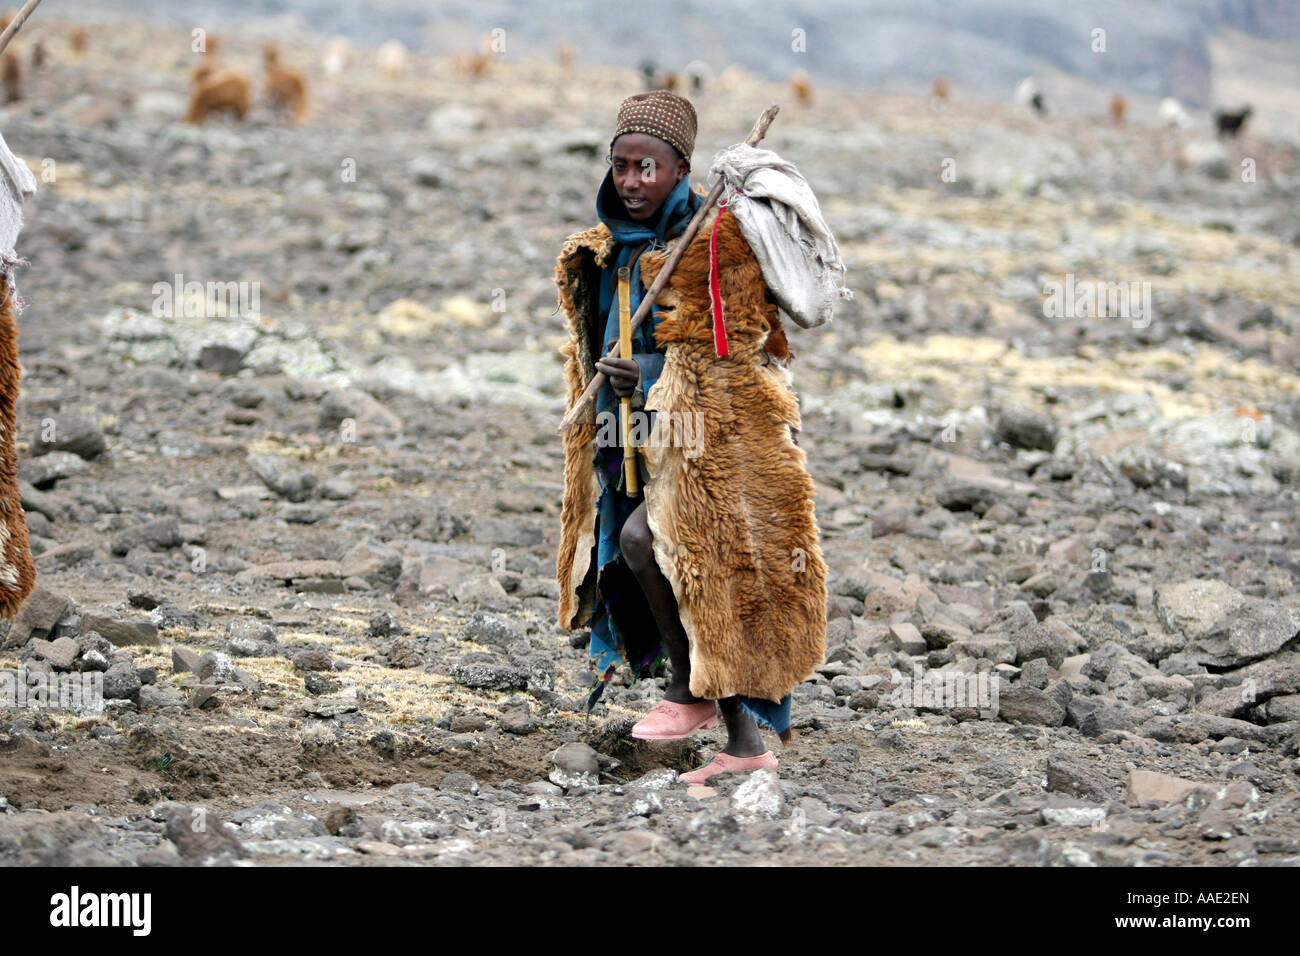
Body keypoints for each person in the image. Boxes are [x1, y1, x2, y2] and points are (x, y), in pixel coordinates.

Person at [554, 91, 827, 784]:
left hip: (721, 442)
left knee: (680, 555)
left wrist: (641, 372)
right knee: (663, 565)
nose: (632, 181)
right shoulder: (612, 254)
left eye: (648, 167)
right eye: (621, 166)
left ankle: (690, 692)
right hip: (638, 442)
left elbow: (731, 353)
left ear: (681, 170)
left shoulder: (716, 246)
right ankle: (741, 744)